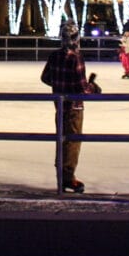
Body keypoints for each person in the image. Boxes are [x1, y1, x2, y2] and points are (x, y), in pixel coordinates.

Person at [43, 21, 99, 192]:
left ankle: (61, 175)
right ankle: (67, 177)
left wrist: (59, 85)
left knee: (61, 139)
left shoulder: (54, 56)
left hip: (59, 104)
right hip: (74, 107)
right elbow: (82, 88)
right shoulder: (76, 57)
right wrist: (94, 88)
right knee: (72, 141)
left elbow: (45, 77)